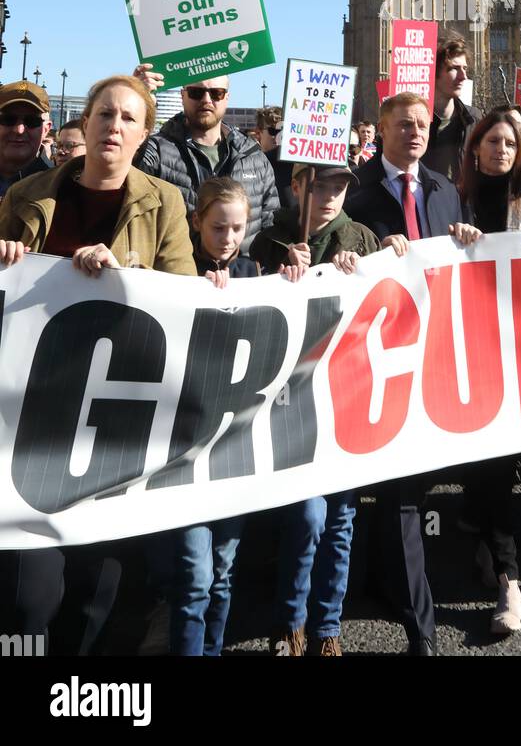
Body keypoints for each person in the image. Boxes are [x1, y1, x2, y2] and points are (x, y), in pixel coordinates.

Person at [0, 74, 196, 655]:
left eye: (128, 118)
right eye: (104, 114)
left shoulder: (165, 203)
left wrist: (126, 272)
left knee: (96, 591)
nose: (114, 126)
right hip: (30, 422)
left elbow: (184, 298)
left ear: (144, 134)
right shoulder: (26, 196)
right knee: (29, 597)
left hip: (114, 425)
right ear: (84, 123)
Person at [347, 91, 472, 655]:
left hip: (431, 351)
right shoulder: (354, 190)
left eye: (422, 124)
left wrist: (468, 241)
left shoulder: (445, 190)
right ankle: (419, 622)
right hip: (375, 353)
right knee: (395, 485)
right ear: (381, 129)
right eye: (404, 124)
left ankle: (387, 576)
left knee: (411, 481)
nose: (416, 132)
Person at [251, 162, 380, 656]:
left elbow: (385, 303)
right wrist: (279, 273)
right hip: (290, 401)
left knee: (341, 519)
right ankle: (290, 624)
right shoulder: (270, 239)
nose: (329, 196)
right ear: (297, 186)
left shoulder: (361, 238)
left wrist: (381, 257)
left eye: (339, 186)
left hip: (343, 396)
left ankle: (327, 628)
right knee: (307, 517)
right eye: (319, 185)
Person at [457, 109, 521, 634]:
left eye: (510, 143)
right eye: (492, 141)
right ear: (475, 148)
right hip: (465, 343)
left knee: (497, 459)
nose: (501, 150)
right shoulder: (454, 199)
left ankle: (493, 555)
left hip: (517, 344)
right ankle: (508, 577)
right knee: (486, 458)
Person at [164, 179, 258, 656]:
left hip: (232, 450)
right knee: (196, 578)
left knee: (221, 573)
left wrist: (295, 274)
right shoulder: (174, 269)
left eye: (237, 228)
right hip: (183, 450)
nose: (228, 238)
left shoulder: (254, 271)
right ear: (196, 221)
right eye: (218, 227)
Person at [133, 67, 279, 253]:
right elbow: (124, 174)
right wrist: (138, 102)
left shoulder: (253, 156)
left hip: (243, 270)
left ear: (227, 98)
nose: (206, 100)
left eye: (217, 93)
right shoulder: (157, 151)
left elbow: (271, 228)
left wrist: (287, 254)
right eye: (196, 92)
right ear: (183, 96)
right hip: (178, 268)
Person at [421, 34, 481, 183]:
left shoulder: (473, 119)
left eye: (465, 68)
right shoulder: (415, 121)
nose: (463, 76)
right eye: (454, 68)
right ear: (434, 72)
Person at [0, 80, 53, 197]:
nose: (19, 130)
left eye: (32, 121)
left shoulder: (58, 188)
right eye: (8, 120)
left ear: (45, 129)